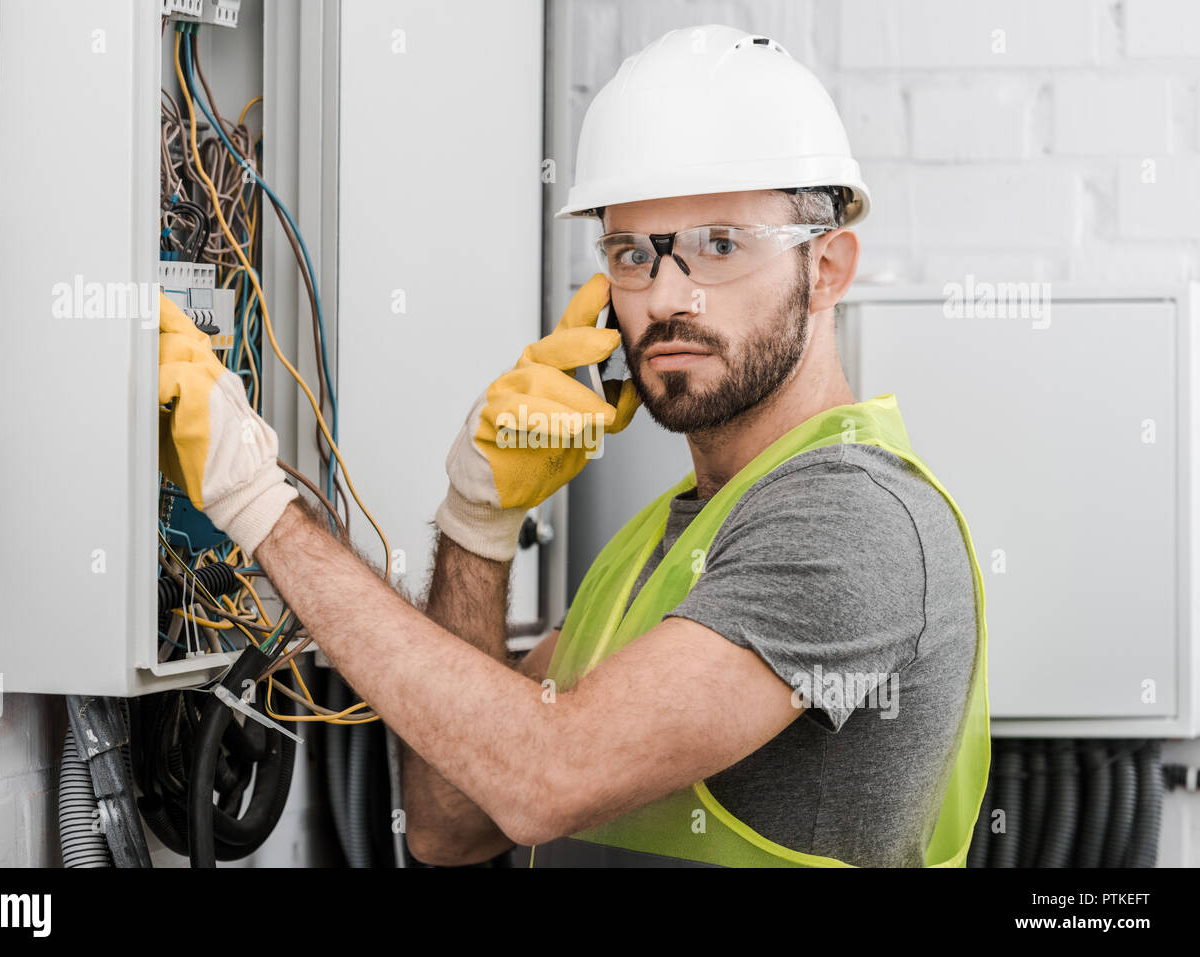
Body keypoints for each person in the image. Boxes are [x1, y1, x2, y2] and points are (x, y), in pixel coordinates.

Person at [156, 24, 989, 868]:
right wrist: (479, 522)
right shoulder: (655, 547)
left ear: (830, 267)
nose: (668, 295)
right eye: (633, 253)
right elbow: (455, 820)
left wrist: (256, 502)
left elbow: (546, 777)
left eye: (721, 245)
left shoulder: (852, 518)